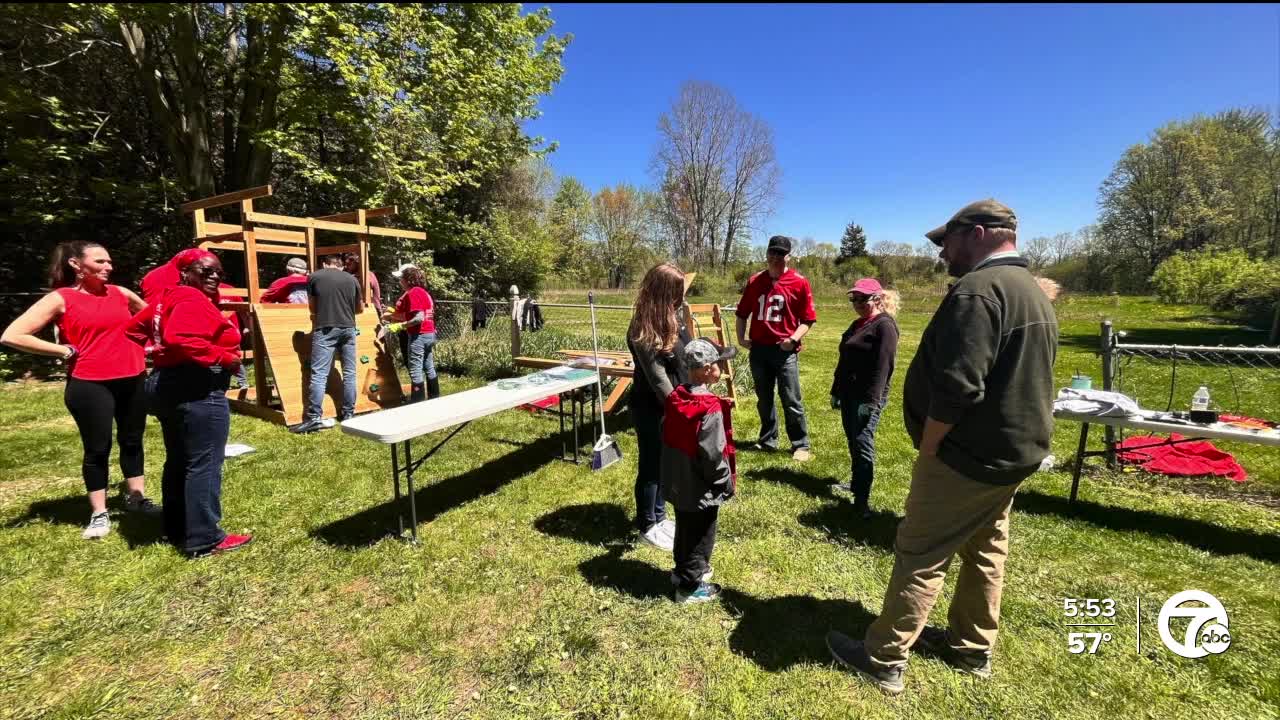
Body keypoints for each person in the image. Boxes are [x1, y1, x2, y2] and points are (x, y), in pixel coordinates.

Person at [826, 199, 1058, 694]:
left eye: (946, 242)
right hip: (1013, 452)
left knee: (921, 549)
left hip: (967, 453)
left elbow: (959, 386)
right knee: (986, 547)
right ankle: (971, 646)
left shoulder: (979, 291)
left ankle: (883, 656)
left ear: (977, 233)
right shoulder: (1031, 290)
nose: (941, 254)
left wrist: (930, 447)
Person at [2, 242, 159, 539]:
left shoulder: (122, 294)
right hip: (90, 384)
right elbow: (13, 335)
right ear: (77, 265)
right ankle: (99, 513)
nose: (108, 266)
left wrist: (155, 344)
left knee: (132, 440)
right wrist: (62, 350)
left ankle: (136, 498)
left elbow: (155, 320)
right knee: (98, 448)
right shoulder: (61, 298)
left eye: (109, 261)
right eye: (100, 261)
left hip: (133, 377)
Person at [126, 250, 252, 558]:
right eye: (205, 270)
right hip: (197, 386)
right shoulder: (190, 299)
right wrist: (226, 359)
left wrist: (157, 350)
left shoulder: (163, 299)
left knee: (179, 459)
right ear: (185, 272)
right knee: (205, 463)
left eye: (218, 273)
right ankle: (205, 537)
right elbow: (182, 338)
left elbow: (133, 329)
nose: (214, 276)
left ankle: (176, 526)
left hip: (167, 382)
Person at [662, 338, 737, 604]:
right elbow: (713, 452)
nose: (721, 368)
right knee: (702, 534)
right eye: (717, 364)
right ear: (706, 369)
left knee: (685, 527)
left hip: (680, 480)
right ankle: (689, 587)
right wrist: (724, 480)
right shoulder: (709, 406)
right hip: (703, 485)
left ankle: (682, 571)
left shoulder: (676, 396)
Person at [626, 263, 693, 552]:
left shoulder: (673, 319)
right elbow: (657, 378)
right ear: (664, 292)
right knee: (651, 464)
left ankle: (660, 516)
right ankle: (647, 523)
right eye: (677, 293)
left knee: (666, 464)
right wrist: (680, 409)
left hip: (675, 404)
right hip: (653, 407)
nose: (681, 298)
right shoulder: (642, 327)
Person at [734, 235, 818, 462]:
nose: (775, 257)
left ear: (788, 256)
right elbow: (742, 313)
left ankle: (800, 444)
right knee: (764, 398)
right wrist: (741, 338)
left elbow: (808, 319)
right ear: (767, 253)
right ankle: (768, 439)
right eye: (773, 252)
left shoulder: (799, 282)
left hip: (784, 350)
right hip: (759, 349)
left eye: (781, 253)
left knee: (791, 398)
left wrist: (793, 339)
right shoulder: (755, 281)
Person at [829, 278, 900, 519]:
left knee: (862, 444)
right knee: (853, 441)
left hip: (867, 397)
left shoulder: (884, 326)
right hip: (849, 394)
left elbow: (884, 366)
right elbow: (844, 360)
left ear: (878, 299)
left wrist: (871, 402)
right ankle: (855, 484)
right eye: (854, 299)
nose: (857, 303)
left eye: (863, 298)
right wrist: (836, 390)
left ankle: (862, 502)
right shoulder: (857, 324)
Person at [291, 255, 362, 434]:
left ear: (325, 264)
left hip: (325, 328)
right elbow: (359, 309)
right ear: (341, 266)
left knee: (319, 374)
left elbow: (312, 307)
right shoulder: (352, 279)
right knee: (350, 373)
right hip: (348, 328)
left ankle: (314, 417)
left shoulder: (315, 276)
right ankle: (348, 414)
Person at [383, 266, 438, 402]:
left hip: (419, 335)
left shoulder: (414, 293)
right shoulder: (423, 292)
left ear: (408, 280)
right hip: (429, 334)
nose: (400, 281)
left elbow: (419, 318)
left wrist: (400, 325)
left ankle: (417, 404)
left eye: (401, 279)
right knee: (429, 367)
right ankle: (435, 399)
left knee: (415, 370)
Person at [342, 252, 383, 316]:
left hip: (372, 310)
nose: (346, 267)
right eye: (346, 264)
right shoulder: (354, 276)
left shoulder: (367, 275)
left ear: (357, 263)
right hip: (362, 310)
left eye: (349, 264)